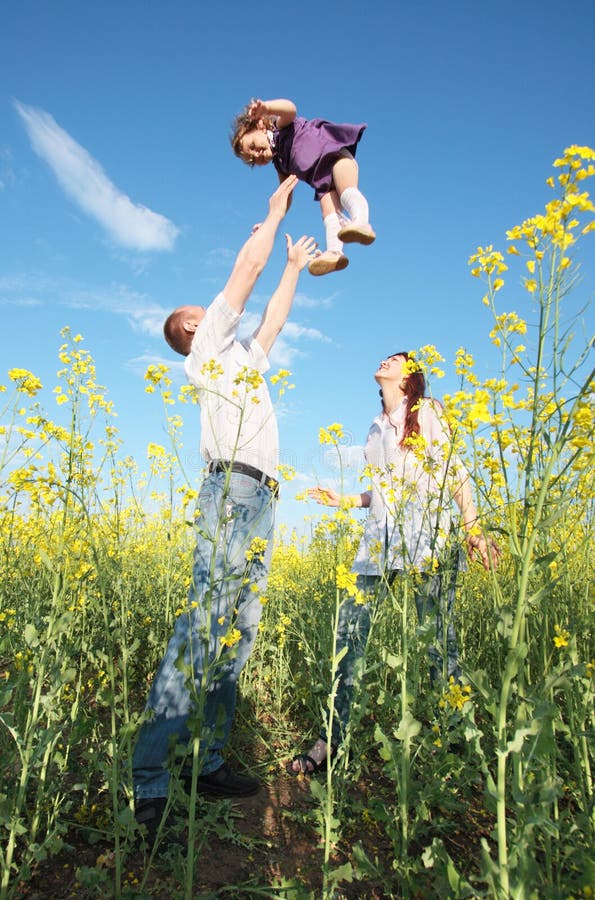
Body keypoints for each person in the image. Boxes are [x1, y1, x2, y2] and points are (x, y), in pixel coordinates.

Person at [133, 174, 317, 842]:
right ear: (191, 327)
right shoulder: (206, 347)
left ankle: (206, 762)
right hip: (232, 490)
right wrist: (274, 213)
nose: (214, 310)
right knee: (202, 628)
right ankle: (151, 783)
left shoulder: (236, 358)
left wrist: (293, 266)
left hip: (261, 495)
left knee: (237, 635)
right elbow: (244, 272)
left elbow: (272, 320)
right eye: (202, 310)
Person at [288, 351, 500, 775]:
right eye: (385, 357)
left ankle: (457, 744)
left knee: (439, 645)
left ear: (409, 377)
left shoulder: (428, 411)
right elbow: (381, 490)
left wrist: (474, 529)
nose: (385, 361)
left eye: (395, 359)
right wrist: (345, 500)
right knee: (348, 639)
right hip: (378, 545)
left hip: (428, 543)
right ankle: (331, 739)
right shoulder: (375, 425)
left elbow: (454, 472)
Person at [231, 98, 375, 277]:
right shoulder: (281, 164)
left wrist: (267, 107)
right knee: (330, 215)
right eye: (252, 160)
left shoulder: (281, 128)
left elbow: (290, 109)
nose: (256, 154)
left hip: (336, 157)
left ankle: (361, 221)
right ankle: (335, 253)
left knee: (347, 193)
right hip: (322, 183)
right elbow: (285, 195)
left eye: (252, 146)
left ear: (260, 126)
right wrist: (269, 222)